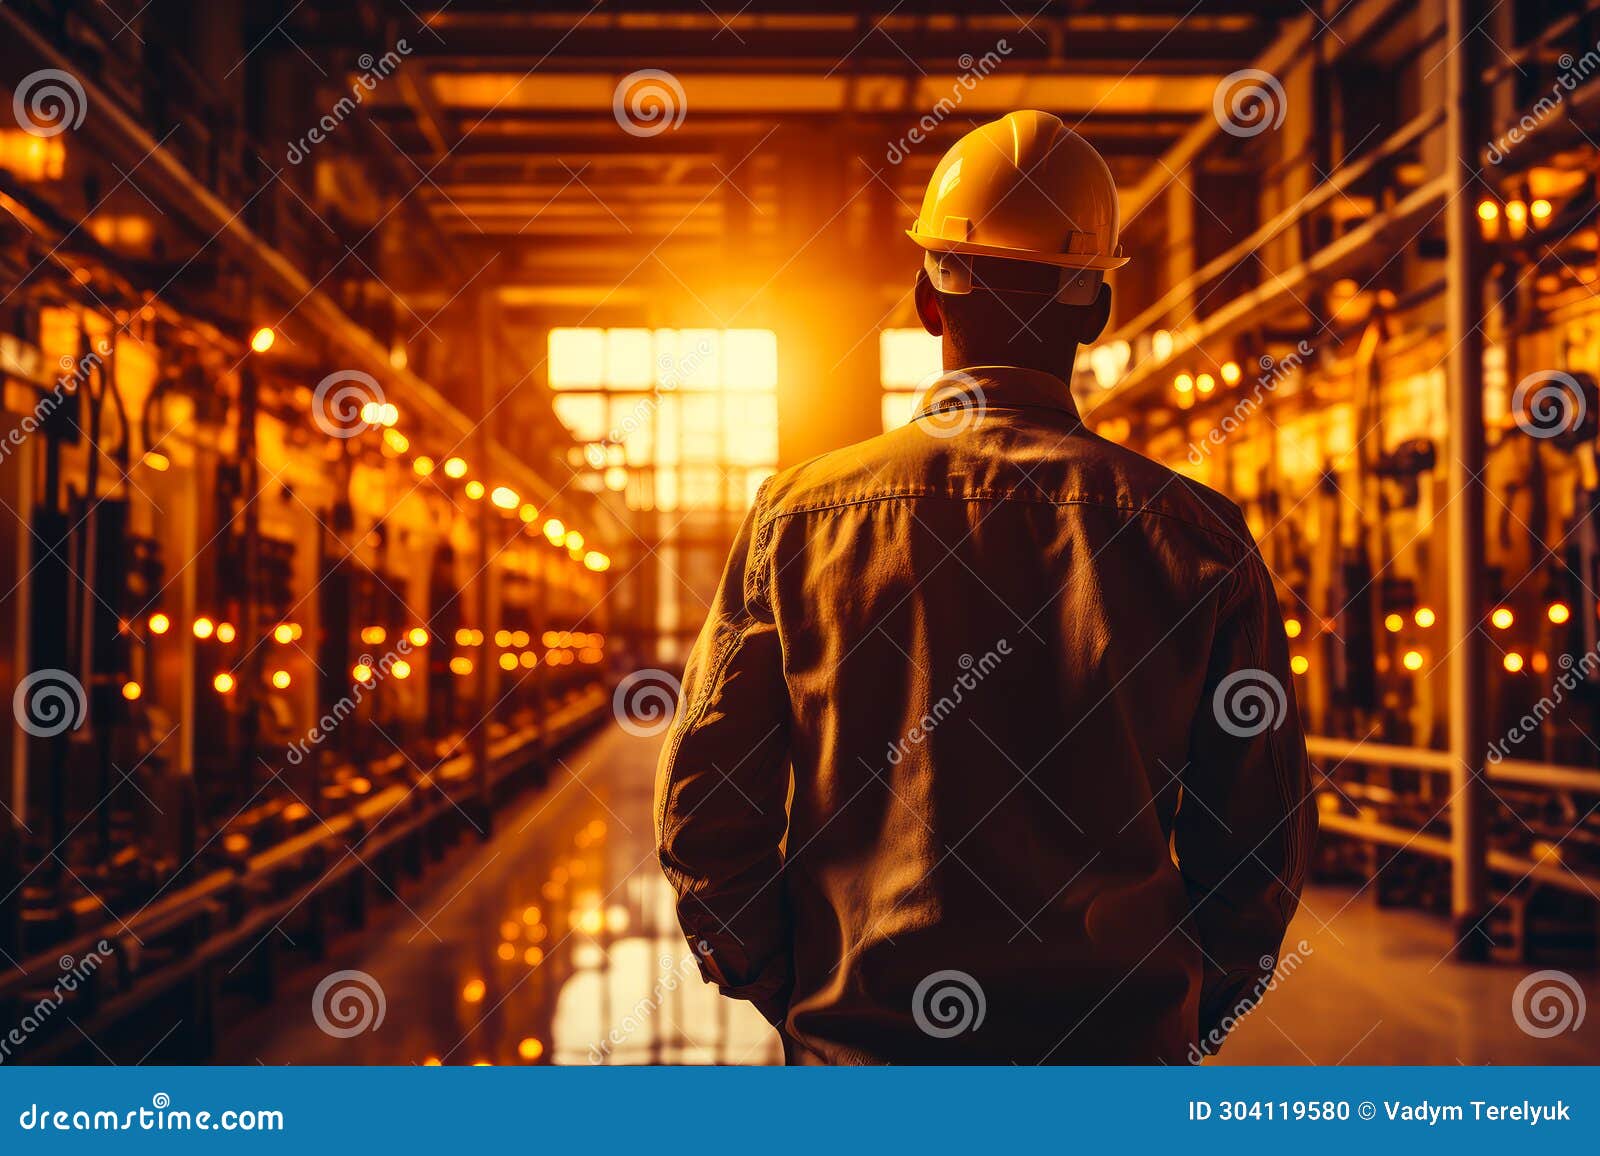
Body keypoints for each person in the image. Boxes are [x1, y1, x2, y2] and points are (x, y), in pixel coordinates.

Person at [654, 110, 1315, 1064]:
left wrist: (798, 993)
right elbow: (1261, 833)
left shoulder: (797, 521)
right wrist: (1177, 1012)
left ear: (928, 301)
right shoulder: (1195, 538)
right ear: (1098, 311)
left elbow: (707, 807)